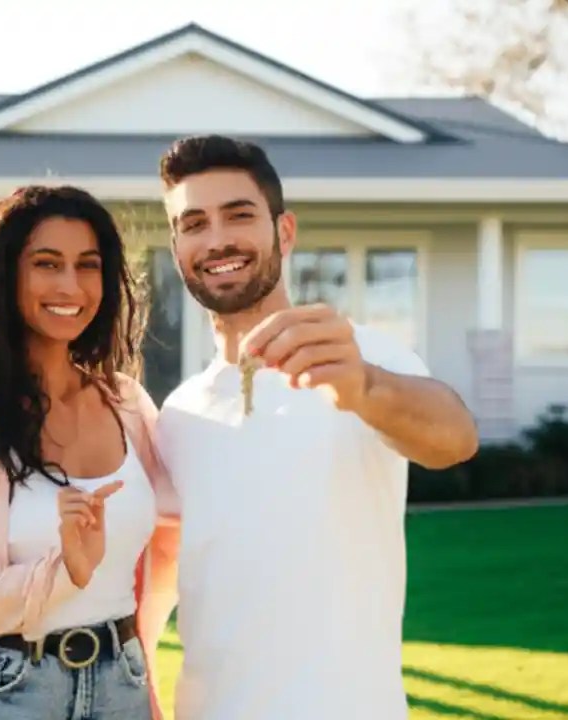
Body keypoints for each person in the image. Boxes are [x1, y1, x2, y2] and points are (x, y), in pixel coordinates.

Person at [152, 135, 479, 719]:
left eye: (239, 215)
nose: (218, 239)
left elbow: (454, 439)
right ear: (177, 249)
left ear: (285, 232)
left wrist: (364, 387)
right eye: (193, 223)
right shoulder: (178, 414)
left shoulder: (362, 359)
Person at [0, 185, 180, 720]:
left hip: (123, 682)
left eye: (88, 265)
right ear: (8, 277)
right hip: (11, 689)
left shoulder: (126, 403)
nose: (70, 285)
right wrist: (60, 575)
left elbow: (181, 528)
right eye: (47, 264)